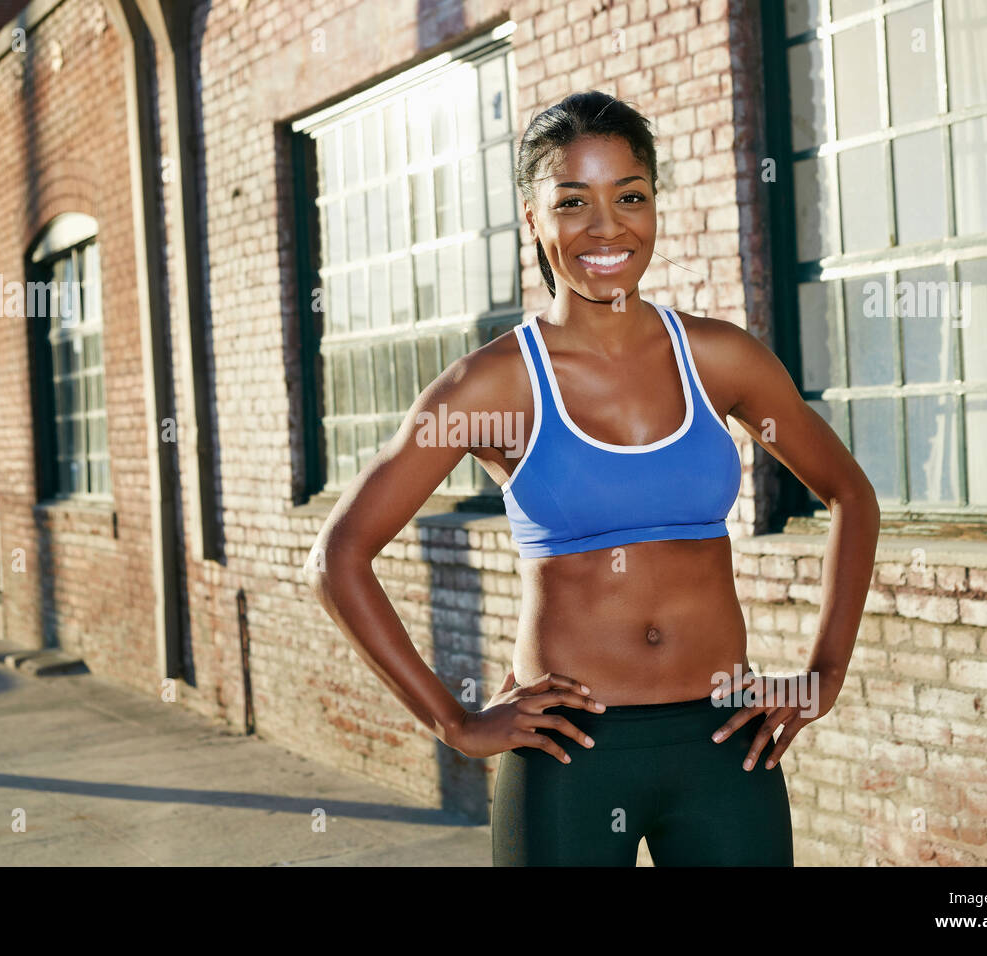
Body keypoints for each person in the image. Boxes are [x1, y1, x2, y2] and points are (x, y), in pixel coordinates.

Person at [306, 90, 880, 866]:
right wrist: (456, 721)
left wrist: (824, 674)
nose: (607, 228)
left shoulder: (721, 360)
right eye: (573, 201)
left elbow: (849, 492)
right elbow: (339, 558)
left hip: (724, 745)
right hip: (571, 756)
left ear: (654, 206)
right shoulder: (493, 387)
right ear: (532, 218)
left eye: (630, 197)